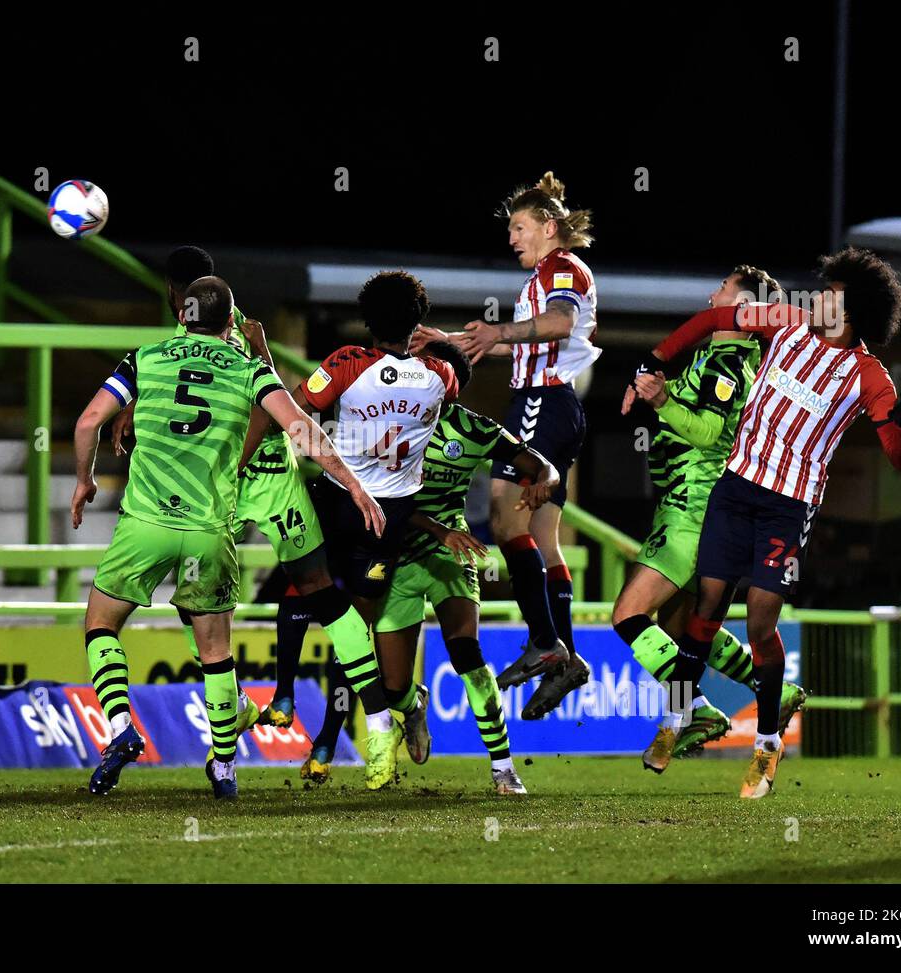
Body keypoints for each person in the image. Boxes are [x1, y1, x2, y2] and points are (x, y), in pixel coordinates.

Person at [71, 276, 385, 799]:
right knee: (216, 651)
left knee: (102, 623)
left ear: (183, 314)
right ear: (230, 320)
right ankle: (222, 767)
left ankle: (121, 727)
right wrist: (354, 486)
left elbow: (87, 423)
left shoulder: (145, 357)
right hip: (209, 531)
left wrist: (85, 479)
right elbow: (303, 431)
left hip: (144, 525)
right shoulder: (249, 369)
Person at [626, 248, 901, 797]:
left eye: (833, 292)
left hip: (789, 506)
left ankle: (766, 744)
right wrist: (655, 359)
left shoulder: (867, 376)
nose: (822, 296)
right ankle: (674, 721)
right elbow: (716, 319)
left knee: (761, 622)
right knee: (705, 610)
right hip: (735, 490)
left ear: (851, 309)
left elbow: (898, 456)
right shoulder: (786, 323)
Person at [413, 171, 599, 719]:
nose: (512, 238)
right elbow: (512, 343)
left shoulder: (562, 269)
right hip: (554, 404)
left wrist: (500, 333)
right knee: (543, 540)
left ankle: (545, 643)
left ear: (546, 225)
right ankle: (566, 658)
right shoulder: (544, 273)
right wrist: (449, 340)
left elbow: (561, 323)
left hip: (543, 403)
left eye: (519, 227)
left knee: (503, 519)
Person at [267, 271, 460, 787]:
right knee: (356, 632)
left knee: (301, 589)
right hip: (390, 519)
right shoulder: (441, 375)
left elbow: (294, 407)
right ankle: (328, 740)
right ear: (416, 323)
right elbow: (450, 367)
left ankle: (284, 692)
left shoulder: (346, 363)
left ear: (368, 320)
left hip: (338, 500)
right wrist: (432, 337)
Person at [613, 266, 806, 763]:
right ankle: (776, 695)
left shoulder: (727, 363)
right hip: (688, 504)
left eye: (722, 289)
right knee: (686, 626)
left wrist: (660, 402)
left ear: (744, 309)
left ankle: (694, 706)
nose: (712, 295)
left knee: (629, 614)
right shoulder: (721, 358)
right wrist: (657, 389)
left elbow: (704, 433)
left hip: (692, 508)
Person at [369, 340, 561, 794]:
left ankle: (503, 768)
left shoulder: (475, 430)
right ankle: (413, 707)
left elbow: (540, 464)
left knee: (466, 654)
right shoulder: (390, 421)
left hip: (449, 555)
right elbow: (382, 498)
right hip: (399, 551)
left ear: (448, 385)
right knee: (393, 686)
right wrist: (436, 528)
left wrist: (543, 483)